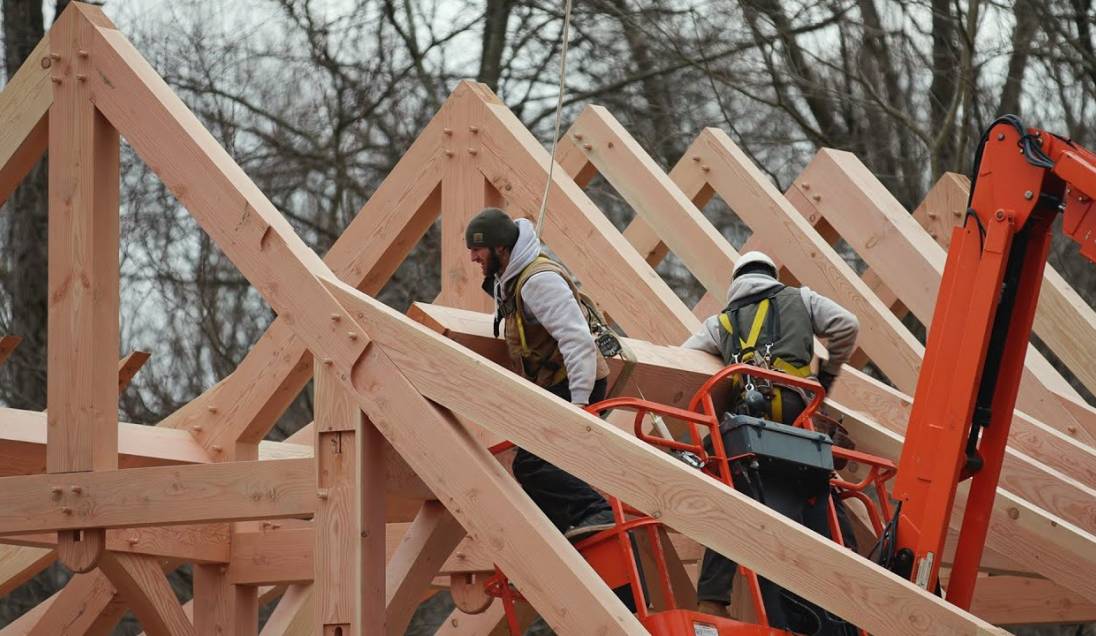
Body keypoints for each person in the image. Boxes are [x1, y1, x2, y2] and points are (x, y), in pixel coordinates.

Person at [683, 250, 860, 631]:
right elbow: (847, 326)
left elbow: (684, 361)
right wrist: (824, 378)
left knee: (731, 504)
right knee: (822, 507)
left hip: (748, 429)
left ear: (735, 283)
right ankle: (849, 597)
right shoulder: (802, 299)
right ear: (772, 275)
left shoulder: (722, 323)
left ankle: (713, 601)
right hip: (798, 423)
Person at [466, 207, 615, 539]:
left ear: (501, 248)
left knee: (534, 464)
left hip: (576, 383)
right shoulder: (513, 280)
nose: (473, 256)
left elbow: (577, 340)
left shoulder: (537, 281)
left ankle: (595, 513)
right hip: (559, 384)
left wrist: (579, 406)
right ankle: (573, 527)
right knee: (536, 464)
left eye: (478, 248)